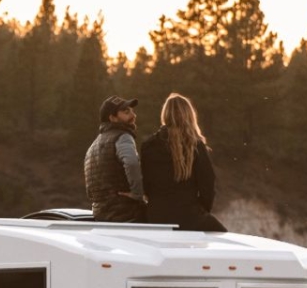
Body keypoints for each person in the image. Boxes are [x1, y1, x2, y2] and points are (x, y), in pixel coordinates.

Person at [140, 93, 226, 231]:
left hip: (156, 216)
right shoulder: (195, 145)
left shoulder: (148, 146)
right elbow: (207, 184)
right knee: (222, 236)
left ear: (165, 115)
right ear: (189, 116)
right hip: (188, 215)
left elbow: (146, 184)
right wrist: (201, 210)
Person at [84, 95, 147, 222]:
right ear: (113, 118)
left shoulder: (93, 146)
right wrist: (137, 194)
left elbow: (89, 190)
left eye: (132, 111)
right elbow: (132, 163)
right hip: (126, 213)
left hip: (100, 215)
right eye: (126, 112)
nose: (133, 115)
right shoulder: (123, 137)